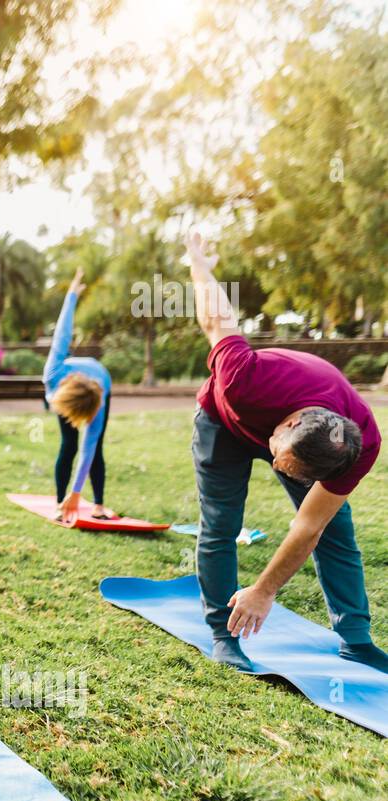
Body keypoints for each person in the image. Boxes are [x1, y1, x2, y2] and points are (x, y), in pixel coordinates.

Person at [185, 231, 386, 673]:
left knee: (336, 531)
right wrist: (199, 261)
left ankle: (355, 638)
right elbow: (215, 319)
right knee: (221, 524)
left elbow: (308, 527)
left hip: (303, 436)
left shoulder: (360, 444)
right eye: (281, 456)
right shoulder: (245, 377)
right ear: (291, 422)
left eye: (291, 471)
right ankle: (224, 633)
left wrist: (265, 589)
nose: (276, 466)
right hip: (222, 421)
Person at [44, 267, 115, 524]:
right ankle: (58, 502)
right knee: (68, 444)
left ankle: (98, 504)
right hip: (67, 389)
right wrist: (72, 294)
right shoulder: (53, 371)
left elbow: (89, 447)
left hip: (99, 380)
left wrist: (78, 494)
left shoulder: (99, 400)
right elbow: (62, 332)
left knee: (94, 448)